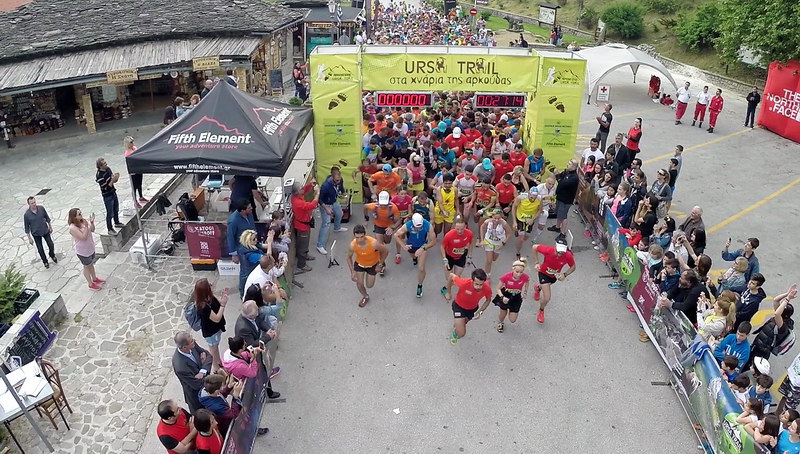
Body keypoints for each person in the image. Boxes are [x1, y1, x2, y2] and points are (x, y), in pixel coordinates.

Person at [747, 285, 796, 367]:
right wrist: (787, 294)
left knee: (753, 367)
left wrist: (788, 299)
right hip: (757, 344)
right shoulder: (781, 318)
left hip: (763, 351)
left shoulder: (783, 327)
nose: (779, 307)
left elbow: (777, 314)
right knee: (747, 361)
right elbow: (776, 300)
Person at [530, 238, 575, 323]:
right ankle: (541, 310)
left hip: (554, 276)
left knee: (546, 286)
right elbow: (534, 247)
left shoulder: (568, 255)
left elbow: (573, 267)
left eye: (562, 252)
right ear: (555, 247)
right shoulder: (548, 250)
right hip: (543, 273)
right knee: (547, 298)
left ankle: (538, 288)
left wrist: (564, 275)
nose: (560, 254)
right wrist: (536, 263)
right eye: (558, 251)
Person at [443, 268, 493, 344]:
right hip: (458, 307)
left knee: (464, 323)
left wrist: (480, 312)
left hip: (472, 309)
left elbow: (488, 300)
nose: (478, 287)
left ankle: (458, 326)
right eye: (476, 284)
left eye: (481, 284)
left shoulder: (487, 288)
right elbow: (451, 276)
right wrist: (448, 292)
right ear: (472, 280)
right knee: (461, 333)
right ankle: (456, 333)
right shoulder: (464, 283)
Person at [394, 213, 437, 298]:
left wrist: (423, 248)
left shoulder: (428, 225)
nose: (419, 228)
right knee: (413, 256)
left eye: (420, 226)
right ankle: (414, 259)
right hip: (411, 246)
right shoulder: (407, 225)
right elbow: (396, 235)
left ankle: (420, 285)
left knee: (421, 268)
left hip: (422, 246)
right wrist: (403, 246)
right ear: (413, 223)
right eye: (417, 226)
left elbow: (433, 241)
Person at [172, 331, 213, 414]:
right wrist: (203, 362)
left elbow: (208, 355)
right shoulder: (180, 367)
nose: (194, 340)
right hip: (196, 397)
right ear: (184, 347)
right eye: (191, 341)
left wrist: (202, 371)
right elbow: (197, 385)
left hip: (207, 387)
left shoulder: (192, 345)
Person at [347, 224, 389, 306]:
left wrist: (380, 264)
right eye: (357, 237)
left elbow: (385, 251)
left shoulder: (373, 243)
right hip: (360, 265)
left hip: (373, 265)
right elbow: (348, 257)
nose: (360, 240)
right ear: (354, 236)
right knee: (359, 283)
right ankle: (365, 296)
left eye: (362, 237)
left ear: (365, 235)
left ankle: (376, 271)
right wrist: (352, 272)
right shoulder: (352, 245)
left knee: (369, 285)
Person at [193, 279, 228, 373]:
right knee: (213, 350)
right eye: (209, 285)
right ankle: (216, 368)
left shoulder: (208, 297)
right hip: (211, 332)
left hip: (215, 329)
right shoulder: (203, 306)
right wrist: (223, 305)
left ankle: (219, 363)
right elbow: (216, 318)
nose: (211, 284)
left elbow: (217, 302)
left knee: (215, 348)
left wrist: (221, 298)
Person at [67, 208, 104, 290]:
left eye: (81, 213)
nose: (81, 215)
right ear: (74, 217)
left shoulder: (83, 221)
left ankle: (94, 278)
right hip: (82, 251)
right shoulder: (72, 227)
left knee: (91, 264)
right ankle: (90, 284)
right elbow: (83, 237)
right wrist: (86, 226)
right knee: (86, 266)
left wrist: (92, 223)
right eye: (79, 214)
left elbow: (92, 230)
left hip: (90, 247)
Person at [491, 259, 531, 333]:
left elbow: (527, 282)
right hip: (506, 295)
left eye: (521, 272)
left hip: (516, 297)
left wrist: (525, 292)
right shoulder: (506, 277)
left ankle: (511, 310)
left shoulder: (525, 277)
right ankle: (500, 323)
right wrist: (502, 297)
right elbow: (498, 288)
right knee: (503, 313)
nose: (519, 274)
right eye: (517, 272)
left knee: (512, 320)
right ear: (513, 269)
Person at [439, 215, 474, 297]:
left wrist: (469, 256)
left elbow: (471, 243)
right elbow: (442, 246)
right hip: (449, 257)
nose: (460, 231)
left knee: (456, 278)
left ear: (465, 226)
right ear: (454, 226)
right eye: (457, 229)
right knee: (449, 278)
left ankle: (446, 289)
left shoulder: (469, 233)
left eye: (462, 229)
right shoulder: (449, 235)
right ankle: (446, 290)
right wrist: (444, 259)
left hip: (461, 257)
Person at [290, 180, 320, 274]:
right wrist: (317, 194)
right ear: (297, 192)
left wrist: (310, 185)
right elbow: (312, 205)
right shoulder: (298, 202)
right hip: (302, 226)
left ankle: (304, 256)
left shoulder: (297, 196)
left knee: (304, 244)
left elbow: (305, 190)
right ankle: (301, 265)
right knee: (303, 246)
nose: (303, 189)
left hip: (304, 223)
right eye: (301, 189)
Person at [316, 166, 348, 255]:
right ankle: (320, 245)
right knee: (326, 223)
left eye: (339, 180)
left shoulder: (340, 180)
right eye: (336, 181)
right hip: (325, 204)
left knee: (340, 213)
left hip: (334, 201)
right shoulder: (325, 186)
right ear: (332, 177)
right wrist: (326, 208)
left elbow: (341, 187)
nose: (338, 182)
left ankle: (337, 227)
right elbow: (320, 200)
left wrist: (343, 194)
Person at [23, 196, 57, 269]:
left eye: (34, 202)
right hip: (36, 233)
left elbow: (47, 218)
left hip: (45, 230)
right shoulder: (27, 215)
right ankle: (45, 261)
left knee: (51, 244)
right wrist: (29, 238)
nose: (34, 204)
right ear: (29, 204)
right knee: (40, 249)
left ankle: (52, 255)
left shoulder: (41, 208)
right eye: (32, 203)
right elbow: (26, 227)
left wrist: (50, 227)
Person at [549, 160, 579, 237]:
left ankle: (563, 233)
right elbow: (561, 176)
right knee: (559, 214)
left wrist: (556, 175)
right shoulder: (567, 172)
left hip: (566, 200)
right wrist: (557, 173)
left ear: (574, 167)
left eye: (569, 164)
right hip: (560, 197)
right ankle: (557, 227)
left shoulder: (574, 178)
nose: (567, 164)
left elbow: (562, 183)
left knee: (563, 216)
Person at [511, 187, 542, 258]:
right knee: (521, 238)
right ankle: (518, 253)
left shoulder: (539, 199)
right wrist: (514, 221)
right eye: (531, 197)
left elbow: (540, 210)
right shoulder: (521, 197)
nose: (533, 199)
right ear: (528, 194)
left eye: (535, 197)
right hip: (520, 218)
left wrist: (532, 219)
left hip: (530, 219)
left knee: (526, 237)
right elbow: (514, 207)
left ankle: (518, 232)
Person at [480, 208, 512, 276]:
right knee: (489, 260)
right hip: (489, 242)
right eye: (495, 218)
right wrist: (482, 240)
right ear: (492, 216)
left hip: (498, 244)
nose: (496, 220)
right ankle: (487, 275)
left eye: (498, 218)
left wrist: (503, 243)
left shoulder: (504, 223)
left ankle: (487, 269)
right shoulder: (487, 222)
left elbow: (509, 233)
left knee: (494, 259)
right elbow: (482, 228)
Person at [95, 157, 123, 233]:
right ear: (100, 166)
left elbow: (113, 180)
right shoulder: (99, 176)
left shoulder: (108, 169)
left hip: (113, 191)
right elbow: (105, 188)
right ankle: (109, 228)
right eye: (104, 163)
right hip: (107, 195)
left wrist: (116, 178)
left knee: (116, 208)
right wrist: (112, 181)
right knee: (110, 212)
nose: (106, 164)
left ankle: (117, 222)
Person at [123, 136, 148, 208]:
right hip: (133, 171)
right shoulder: (128, 153)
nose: (133, 143)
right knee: (134, 187)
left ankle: (141, 196)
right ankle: (135, 201)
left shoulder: (134, 148)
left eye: (133, 141)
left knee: (139, 184)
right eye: (131, 142)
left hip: (139, 169)